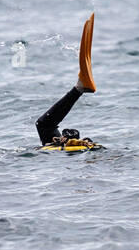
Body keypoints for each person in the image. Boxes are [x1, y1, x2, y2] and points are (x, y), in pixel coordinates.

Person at [36, 13, 99, 149]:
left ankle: (79, 88)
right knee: (44, 125)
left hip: (57, 159)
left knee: (44, 125)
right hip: (64, 158)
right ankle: (79, 88)